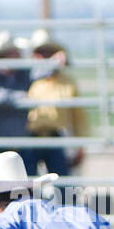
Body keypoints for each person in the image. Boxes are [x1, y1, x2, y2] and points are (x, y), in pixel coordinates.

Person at [25, 37, 87, 177]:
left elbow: (78, 116)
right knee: (26, 184)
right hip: (30, 136)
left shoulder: (68, 82)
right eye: (40, 52)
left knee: (63, 184)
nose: (43, 56)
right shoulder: (28, 78)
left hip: (56, 135)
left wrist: (81, 144)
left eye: (48, 53)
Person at [0, 31, 38, 173]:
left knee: (23, 185)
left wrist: (54, 61)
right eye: (13, 53)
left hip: (19, 144)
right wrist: (22, 97)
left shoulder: (23, 74)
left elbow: (42, 72)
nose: (18, 56)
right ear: (3, 56)